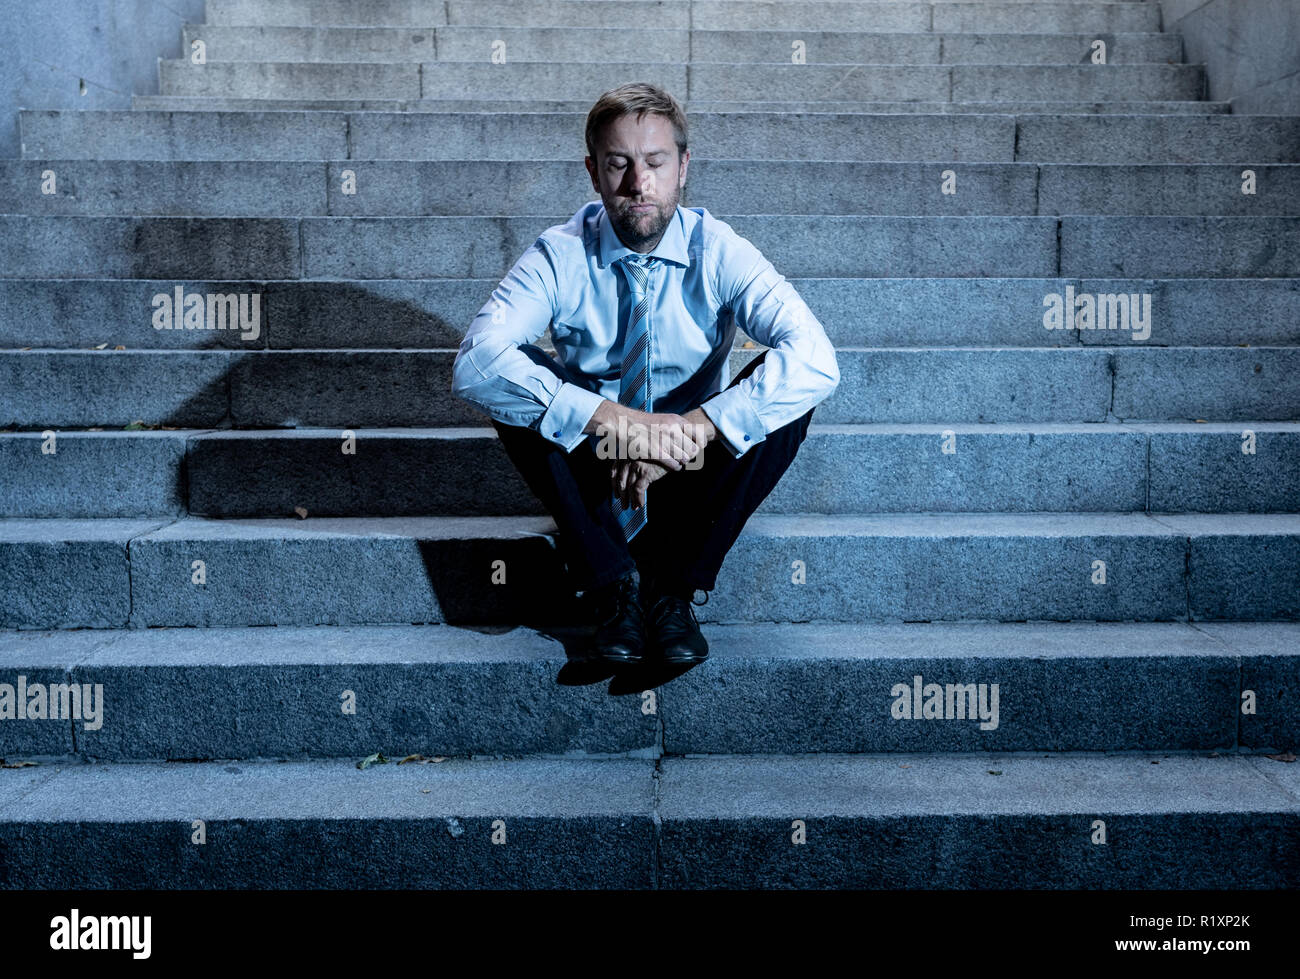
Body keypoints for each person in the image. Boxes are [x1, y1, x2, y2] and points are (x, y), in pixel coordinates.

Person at [451, 82, 840, 668]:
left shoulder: (719, 249)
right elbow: (475, 360)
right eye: (619, 164)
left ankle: (674, 592)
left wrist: (685, 432)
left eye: (655, 162)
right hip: (594, 463)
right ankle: (615, 588)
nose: (639, 184)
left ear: (683, 166)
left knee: (786, 392)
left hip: (691, 464)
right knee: (518, 376)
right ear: (593, 172)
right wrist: (619, 424)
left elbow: (816, 356)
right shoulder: (561, 253)